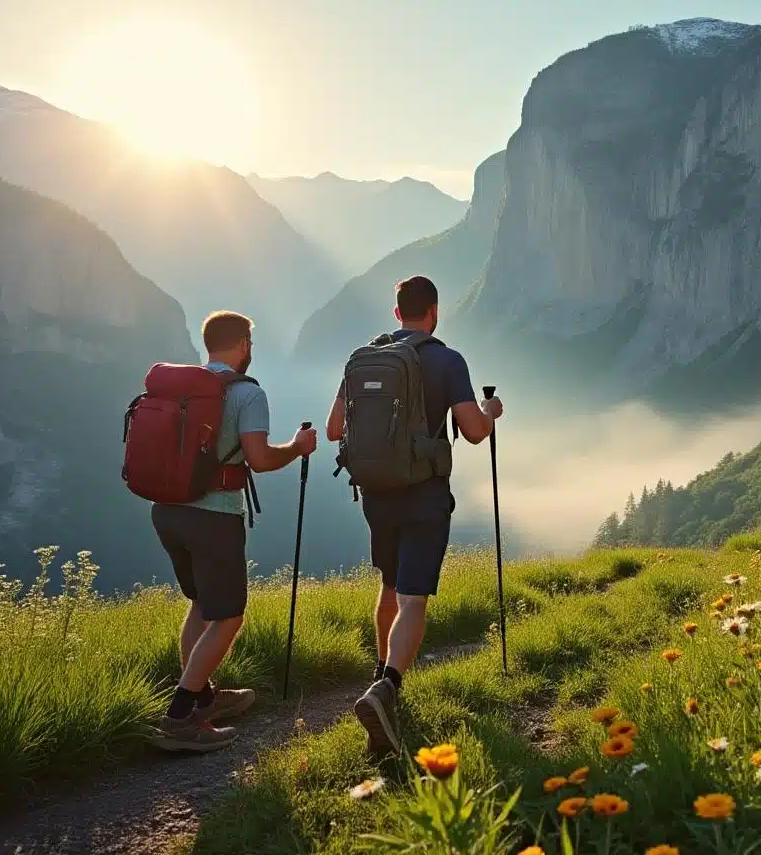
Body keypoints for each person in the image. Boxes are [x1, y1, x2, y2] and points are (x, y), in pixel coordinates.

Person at [325, 275, 502, 755]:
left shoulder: (364, 359)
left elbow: (333, 428)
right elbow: (473, 430)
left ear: (396, 310)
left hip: (376, 494)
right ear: (435, 311)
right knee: (414, 598)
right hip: (424, 494)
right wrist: (490, 410)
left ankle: (379, 674)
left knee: (388, 585)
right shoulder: (447, 360)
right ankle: (387, 689)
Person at [150, 310, 318, 752]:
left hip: (167, 511)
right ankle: (181, 715)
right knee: (228, 616)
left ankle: (204, 696)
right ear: (245, 344)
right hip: (214, 516)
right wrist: (298, 447)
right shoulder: (246, 394)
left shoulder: (182, 388)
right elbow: (259, 459)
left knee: (203, 604)